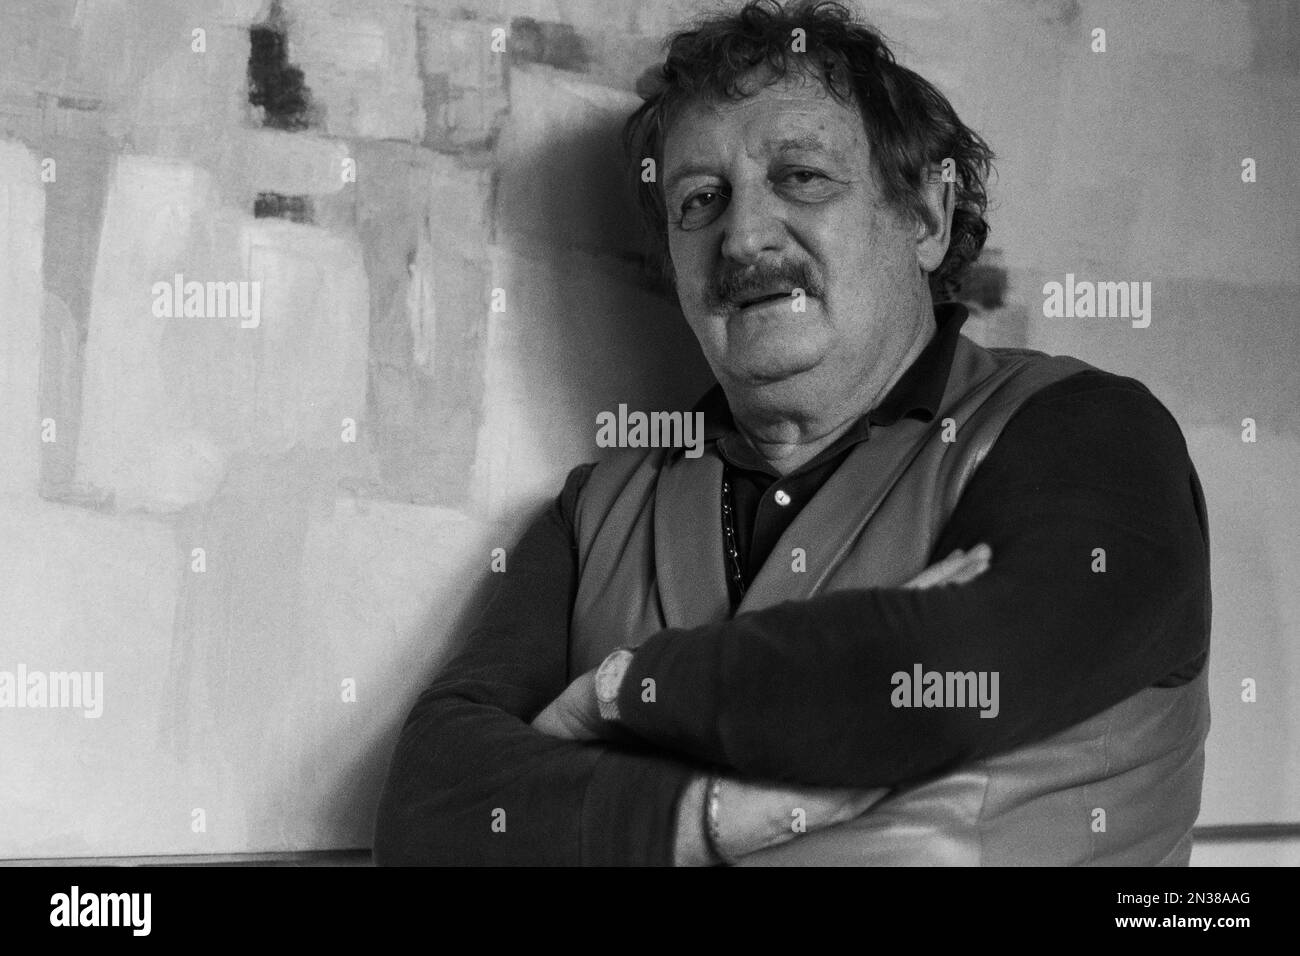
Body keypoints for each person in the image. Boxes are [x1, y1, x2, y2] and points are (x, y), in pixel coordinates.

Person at [373, 0, 1210, 866]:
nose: (743, 235)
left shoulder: (1086, 429)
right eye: (701, 199)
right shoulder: (595, 512)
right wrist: (700, 816)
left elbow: (949, 677)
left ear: (925, 213)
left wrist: (615, 695)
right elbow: (428, 806)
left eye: (802, 176)